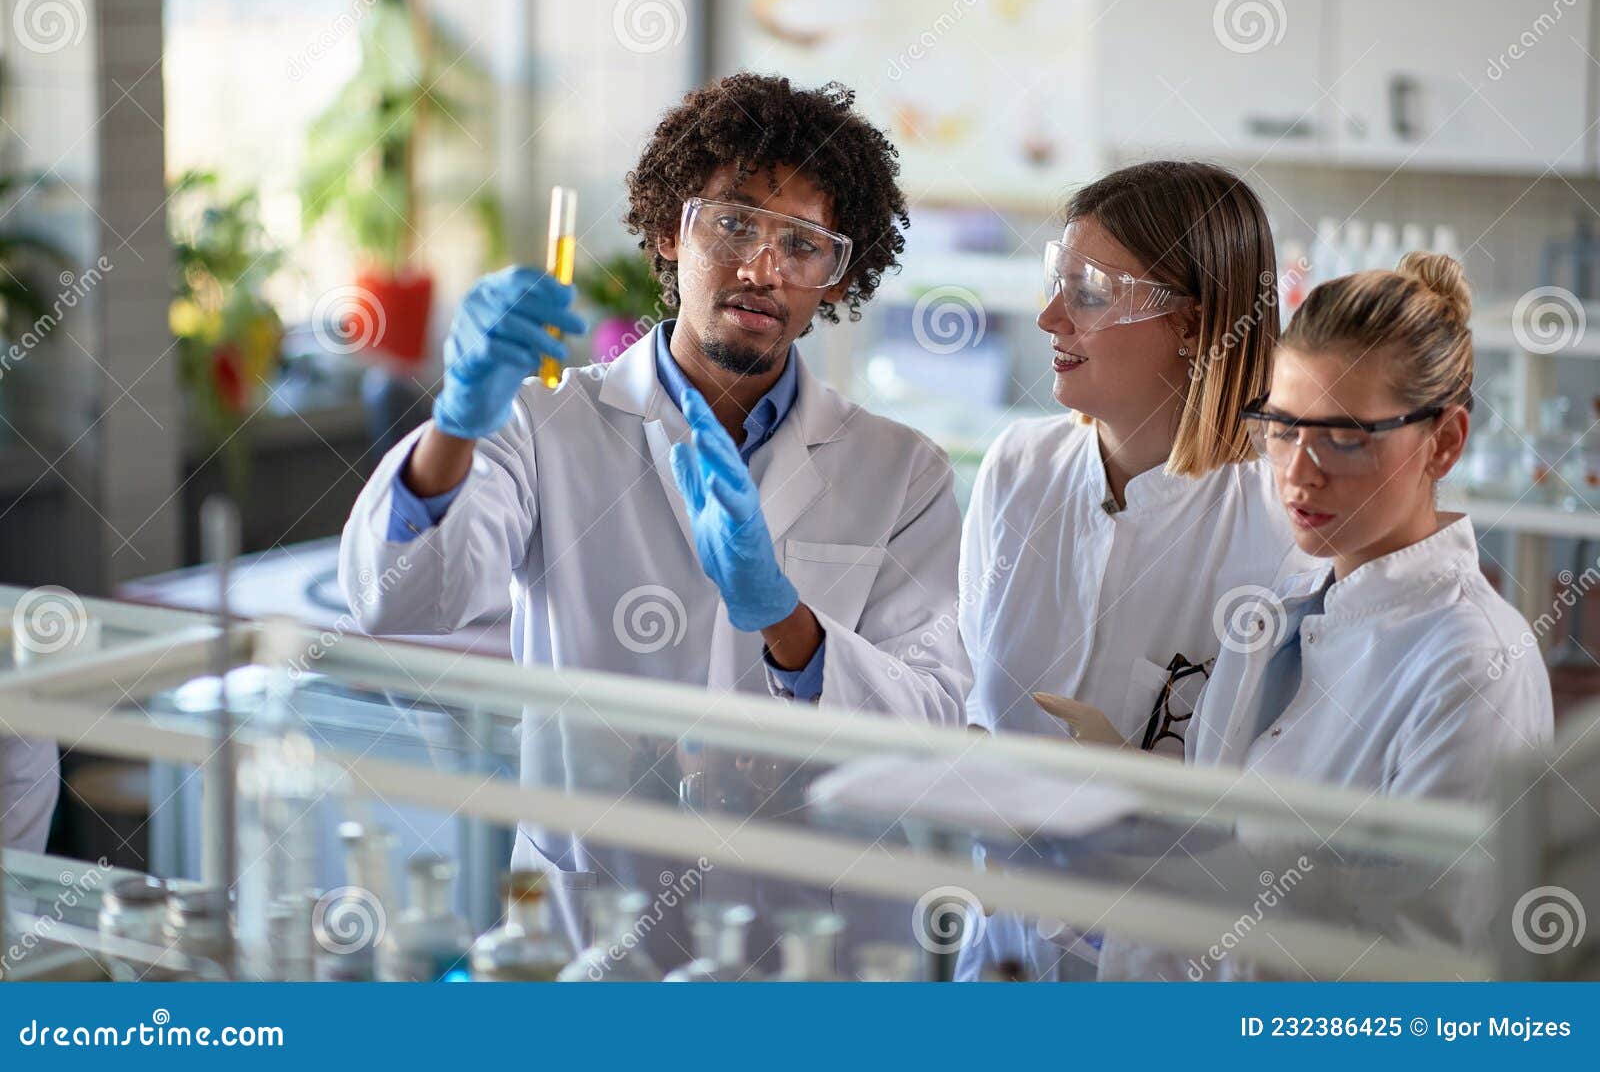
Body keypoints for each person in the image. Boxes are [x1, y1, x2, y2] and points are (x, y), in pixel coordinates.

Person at [339, 73, 970, 971]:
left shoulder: (899, 470)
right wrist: (456, 424)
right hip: (597, 923)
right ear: (672, 232)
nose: (762, 266)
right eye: (735, 222)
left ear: (836, 278)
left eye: (803, 243)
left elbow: (935, 721)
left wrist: (786, 621)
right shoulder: (544, 425)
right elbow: (396, 599)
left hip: (811, 946)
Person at [1094, 253, 1555, 980]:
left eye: (1345, 435)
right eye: (1282, 426)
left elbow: (1415, 966)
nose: (1299, 471)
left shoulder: (1472, 664)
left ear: (1445, 441)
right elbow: (1202, 858)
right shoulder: (1275, 611)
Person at [954, 160, 1320, 980]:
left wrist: (1136, 781)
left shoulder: (1286, 529)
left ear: (1194, 324)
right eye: (1058, 280)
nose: (1050, 316)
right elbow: (968, 696)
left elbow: (1290, 832)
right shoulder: (1017, 470)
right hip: (1001, 956)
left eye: (1088, 292)